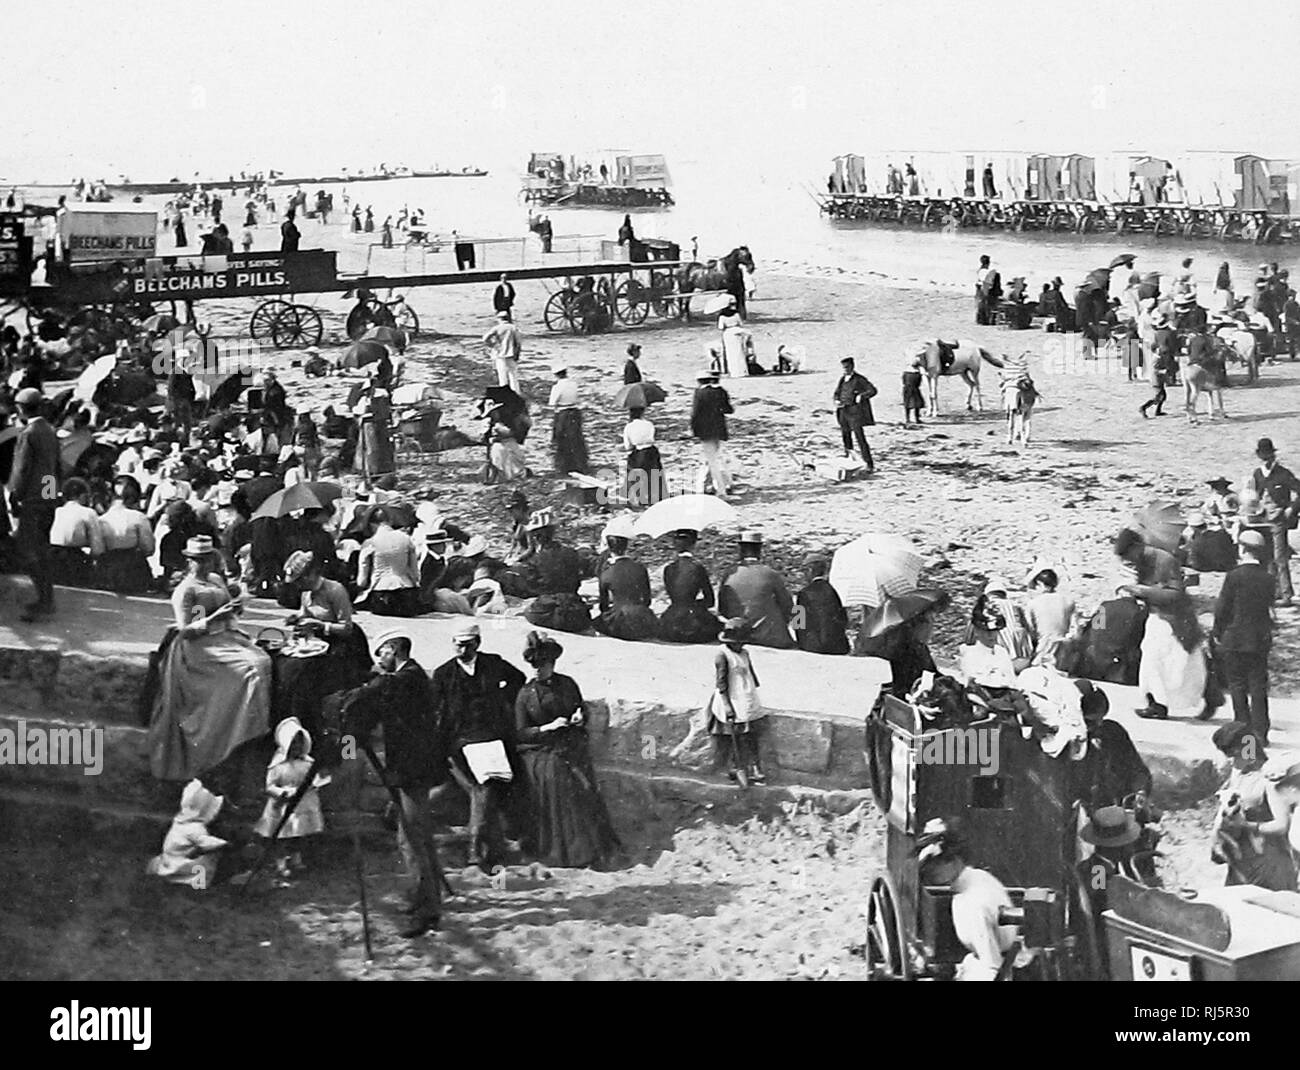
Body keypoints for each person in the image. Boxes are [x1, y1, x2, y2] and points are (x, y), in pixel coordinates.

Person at [339, 633, 448, 938]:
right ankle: (420, 897)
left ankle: (429, 912)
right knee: (408, 837)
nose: (379, 658)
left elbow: (380, 688)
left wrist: (356, 691)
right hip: (408, 768)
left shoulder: (409, 677)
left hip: (415, 770)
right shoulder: (405, 678)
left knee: (416, 839)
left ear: (395, 649)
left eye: (382, 652)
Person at [148, 535, 272, 783]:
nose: (201, 565)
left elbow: (227, 609)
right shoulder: (186, 590)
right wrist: (215, 616)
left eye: (205, 559)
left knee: (263, 660)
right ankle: (239, 733)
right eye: (196, 560)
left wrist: (235, 607)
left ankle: (250, 726)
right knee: (250, 671)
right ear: (188, 561)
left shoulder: (215, 580)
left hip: (225, 636)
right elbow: (187, 629)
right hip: (199, 646)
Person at [513, 631, 621, 868]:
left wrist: (579, 716)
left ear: (552, 664)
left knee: (583, 781)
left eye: (542, 665)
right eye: (533, 666)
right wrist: (547, 727)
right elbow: (521, 732)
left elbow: (580, 708)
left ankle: (594, 849)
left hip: (570, 742)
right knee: (557, 774)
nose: (537, 670)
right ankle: (568, 852)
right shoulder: (526, 694)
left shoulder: (567, 684)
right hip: (540, 749)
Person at [429, 624, 526, 871]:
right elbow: (436, 710)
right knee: (481, 788)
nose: (462, 649)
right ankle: (478, 847)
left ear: (477, 643)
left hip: (492, 737)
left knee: (486, 788)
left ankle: (482, 847)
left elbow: (518, 678)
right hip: (461, 741)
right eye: (458, 644)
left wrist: (502, 700)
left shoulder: (493, 664)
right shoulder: (444, 673)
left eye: (468, 645)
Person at [1114, 527, 1209, 720]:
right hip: (1157, 615)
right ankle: (1156, 703)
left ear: (1138, 546)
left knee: (1179, 664)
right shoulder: (1142, 561)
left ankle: (1203, 698)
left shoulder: (1164, 560)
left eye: (1128, 555)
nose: (1128, 560)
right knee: (1152, 660)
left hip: (1174, 619)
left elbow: (1175, 593)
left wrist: (1143, 591)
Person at [916, 819, 1029, 981]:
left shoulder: (971, 904)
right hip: (991, 959)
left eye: (939, 865)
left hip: (996, 968)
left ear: (955, 861)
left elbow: (993, 966)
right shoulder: (978, 877)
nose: (932, 873)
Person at [275, 549, 370, 737]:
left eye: (301, 580)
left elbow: (346, 627)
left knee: (304, 673)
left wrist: (321, 625)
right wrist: (297, 618)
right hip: (319, 641)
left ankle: (313, 720)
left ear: (311, 574)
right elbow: (306, 612)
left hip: (343, 644)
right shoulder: (306, 593)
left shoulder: (335, 590)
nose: (299, 585)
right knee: (288, 668)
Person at [1209, 724, 1296, 891]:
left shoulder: (1270, 778)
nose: (1229, 760)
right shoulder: (1239, 775)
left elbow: (1281, 825)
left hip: (1268, 863)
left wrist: (1247, 826)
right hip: (1241, 861)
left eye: (1232, 755)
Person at [1213, 530, 1276, 741]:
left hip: (1235, 636)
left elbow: (1223, 608)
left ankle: (1243, 728)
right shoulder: (1268, 578)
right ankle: (1261, 732)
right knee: (1258, 685)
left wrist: (1217, 631)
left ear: (1242, 549)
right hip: (1259, 638)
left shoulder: (1234, 576)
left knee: (1237, 684)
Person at [7, 387, 61, 620]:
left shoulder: (28, 433)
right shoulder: (49, 431)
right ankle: (46, 597)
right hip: (46, 498)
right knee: (42, 548)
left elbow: (22, 469)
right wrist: (49, 495)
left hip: (32, 499)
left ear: (20, 408)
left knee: (27, 549)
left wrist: (15, 495)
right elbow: (54, 468)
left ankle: (44, 601)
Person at [252, 717, 327, 880]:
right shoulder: (278, 766)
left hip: (303, 804)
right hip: (283, 805)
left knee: (298, 833)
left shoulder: (307, 763)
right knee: (283, 836)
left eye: (300, 744)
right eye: (293, 744)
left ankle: (296, 859)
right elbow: (269, 786)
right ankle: (281, 864)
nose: (297, 748)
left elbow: (314, 779)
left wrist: (315, 784)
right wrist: (283, 793)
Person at [708, 618, 768, 784]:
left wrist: (753, 688)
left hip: (745, 694)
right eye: (737, 643)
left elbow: (750, 672)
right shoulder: (722, 655)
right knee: (737, 734)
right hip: (731, 696)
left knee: (751, 732)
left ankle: (755, 766)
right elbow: (721, 683)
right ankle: (736, 766)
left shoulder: (745, 653)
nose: (740, 646)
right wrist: (727, 706)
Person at [719, 530, 795, 649]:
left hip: (737, 634)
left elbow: (722, 608)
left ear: (741, 549)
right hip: (769, 636)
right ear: (760, 550)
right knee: (799, 608)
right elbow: (788, 606)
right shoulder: (770, 574)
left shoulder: (729, 574)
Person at [520, 510, 592, 633]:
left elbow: (532, 587)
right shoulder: (572, 553)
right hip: (574, 608)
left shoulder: (536, 560)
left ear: (537, 537)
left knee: (529, 612)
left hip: (547, 607)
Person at [1250, 437, 1300, 607]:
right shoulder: (1257, 473)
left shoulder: (1283, 473)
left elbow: (1299, 492)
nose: (1266, 457)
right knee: (1267, 556)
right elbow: (1254, 495)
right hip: (1263, 519)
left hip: (1279, 518)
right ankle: (1273, 592)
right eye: (1263, 454)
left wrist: (1291, 509)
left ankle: (1286, 594)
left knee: (1280, 557)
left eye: (1269, 454)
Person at [595, 516, 658, 640]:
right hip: (641, 616)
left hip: (619, 617)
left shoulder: (606, 573)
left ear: (609, 547)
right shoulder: (640, 568)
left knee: (597, 622)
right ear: (626, 546)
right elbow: (647, 600)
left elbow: (603, 606)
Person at [354, 506, 422, 616]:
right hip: (406, 594)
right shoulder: (405, 538)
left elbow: (362, 578)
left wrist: (360, 588)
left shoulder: (370, 542)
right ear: (389, 521)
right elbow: (415, 572)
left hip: (381, 594)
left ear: (371, 523)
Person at [658, 529, 721, 644]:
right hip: (693, 622)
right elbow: (710, 601)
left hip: (670, 622)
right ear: (694, 544)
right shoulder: (697, 567)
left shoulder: (668, 569)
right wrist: (695, 604)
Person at [98, 478, 156, 593]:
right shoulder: (138, 517)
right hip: (133, 570)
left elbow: (98, 549)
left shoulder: (101, 520)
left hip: (107, 570)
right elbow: (149, 548)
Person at [49, 476, 105, 586]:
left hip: (52, 558)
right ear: (83, 495)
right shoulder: (88, 513)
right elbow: (97, 548)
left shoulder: (57, 511)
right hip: (74, 560)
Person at [691, 369, 733, 500]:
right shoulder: (720, 392)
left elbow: (696, 413)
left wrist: (694, 429)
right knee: (713, 457)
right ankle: (706, 485)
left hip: (705, 429)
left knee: (711, 460)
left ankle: (720, 489)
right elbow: (729, 409)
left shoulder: (699, 394)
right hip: (719, 428)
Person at [1023, 561, 1076, 667]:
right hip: (1064, 651)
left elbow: (1030, 631)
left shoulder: (1033, 603)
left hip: (1043, 650)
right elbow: (1074, 629)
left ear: (1040, 584)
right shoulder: (1068, 601)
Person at [794, 553, 849, 654]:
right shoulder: (832, 591)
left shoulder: (804, 593)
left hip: (812, 647)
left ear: (810, 570)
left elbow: (798, 623)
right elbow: (843, 618)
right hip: (837, 647)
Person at [833, 357, 876, 470]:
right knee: (846, 436)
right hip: (843, 411)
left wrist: (861, 396)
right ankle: (849, 460)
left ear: (852, 366)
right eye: (843, 368)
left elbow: (873, 390)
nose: (845, 370)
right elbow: (837, 392)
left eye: (847, 367)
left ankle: (869, 464)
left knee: (860, 438)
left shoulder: (859, 379)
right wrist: (836, 400)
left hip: (854, 412)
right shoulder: (842, 379)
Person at [547, 363, 588, 475]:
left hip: (563, 413)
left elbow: (552, 403)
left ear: (556, 375)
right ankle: (580, 463)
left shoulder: (557, 387)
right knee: (576, 439)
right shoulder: (573, 384)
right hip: (575, 412)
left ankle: (565, 465)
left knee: (562, 440)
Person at [622, 406, 665, 507]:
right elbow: (652, 437)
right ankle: (656, 497)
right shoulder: (649, 424)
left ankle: (639, 498)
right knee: (654, 474)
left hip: (638, 453)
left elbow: (628, 446)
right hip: (651, 451)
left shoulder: (629, 427)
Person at [483, 311, 522, 393]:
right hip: (511, 354)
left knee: (502, 375)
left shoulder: (497, 328)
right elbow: (518, 343)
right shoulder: (513, 328)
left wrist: (492, 345)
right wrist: (517, 354)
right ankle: (516, 393)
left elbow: (485, 338)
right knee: (513, 375)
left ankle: (504, 393)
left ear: (499, 319)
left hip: (500, 354)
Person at [902, 357, 925, 427]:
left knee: (907, 405)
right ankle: (917, 418)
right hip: (915, 389)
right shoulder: (918, 374)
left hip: (907, 389)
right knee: (917, 405)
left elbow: (903, 381)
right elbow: (919, 383)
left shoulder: (906, 373)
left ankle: (907, 418)